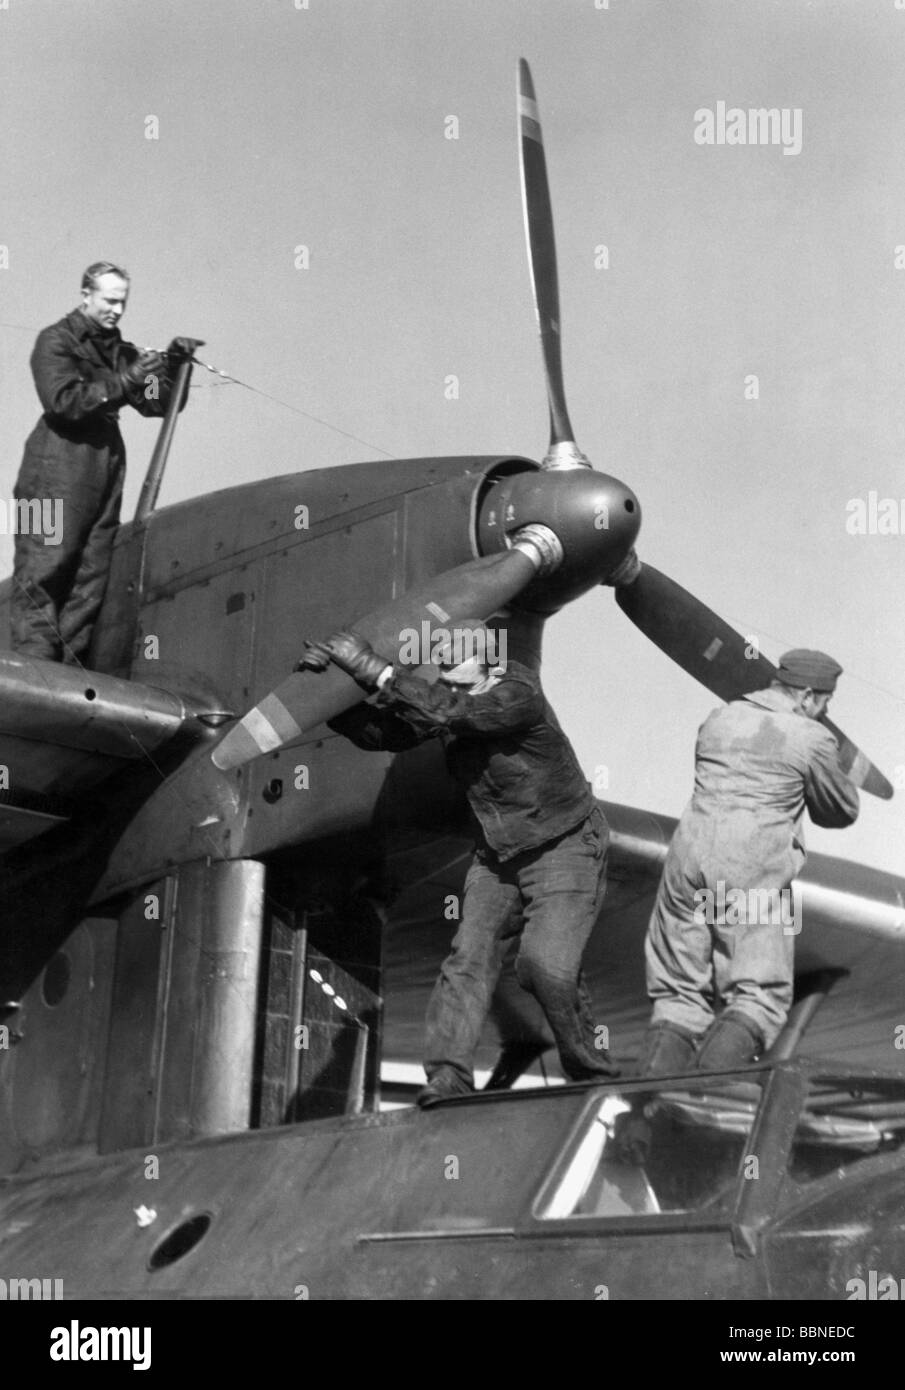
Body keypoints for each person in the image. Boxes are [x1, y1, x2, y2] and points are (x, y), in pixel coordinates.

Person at [303, 616, 618, 1106]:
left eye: (453, 663)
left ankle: (591, 1072)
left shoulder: (517, 695)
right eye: (441, 664)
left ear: (487, 661)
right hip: (497, 857)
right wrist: (325, 692)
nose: (445, 674)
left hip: (565, 846)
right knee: (467, 960)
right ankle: (449, 1076)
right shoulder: (451, 699)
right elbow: (384, 732)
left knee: (544, 968)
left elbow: (455, 712)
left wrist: (375, 670)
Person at [642, 649, 860, 1075]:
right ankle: (696, 1097)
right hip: (745, 873)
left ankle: (644, 1114)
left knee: (677, 999)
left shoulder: (719, 718)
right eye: (823, 705)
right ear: (809, 697)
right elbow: (841, 810)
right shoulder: (811, 736)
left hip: (685, 867)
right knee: (759, 998)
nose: (822, 713)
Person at [10, 261, 197, 662]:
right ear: (86, 295)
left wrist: (176, 367)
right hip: (52, 464)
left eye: (122, 302)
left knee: (90, 575)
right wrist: (126, 380)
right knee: (43, 562)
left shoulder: (122, 353)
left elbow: (156, 402)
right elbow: (63, 402)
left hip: (105, 466)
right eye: (110, 300)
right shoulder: (54, 341)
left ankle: (69, 671)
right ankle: (33, 664)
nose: (117, 310)